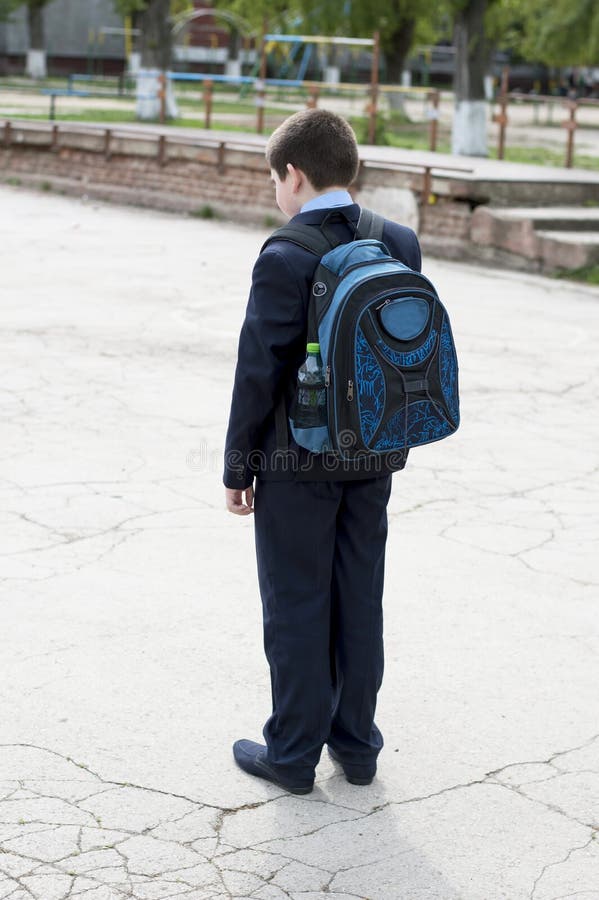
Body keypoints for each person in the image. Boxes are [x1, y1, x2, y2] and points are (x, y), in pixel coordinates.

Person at [223, 109, 422, 795]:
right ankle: (357, 747)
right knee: (359, 597)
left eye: (275, 179)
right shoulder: (397, 240)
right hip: (375, 452)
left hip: (296, 460)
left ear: (295, 175)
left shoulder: (285, 252)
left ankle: (292, 753)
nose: (276, 193)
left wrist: (237, 467)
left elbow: (259, 371)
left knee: (297, 603)